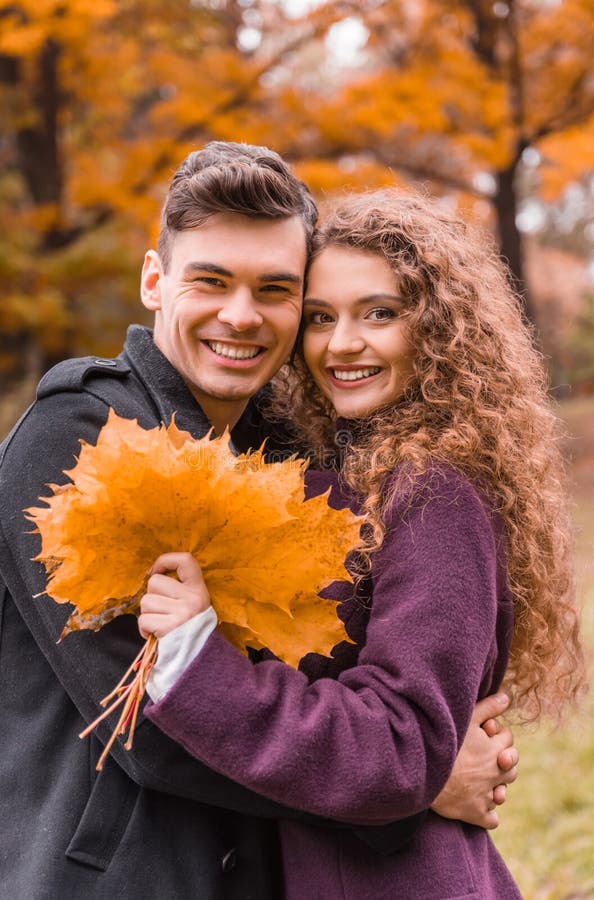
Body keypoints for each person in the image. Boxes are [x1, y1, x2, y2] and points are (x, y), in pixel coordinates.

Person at [0, 144, 516, 899]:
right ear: (155, 280)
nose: (240, 316)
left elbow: (356, 682)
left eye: (276, 290)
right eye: (211, 281)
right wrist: (409, 793)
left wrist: (415, 752)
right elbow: (143, 724)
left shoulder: (292, 455)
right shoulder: (81, 436)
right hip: (112, 879)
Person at [137, 188, 584, 898]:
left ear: (439, 330)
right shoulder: (357, 478)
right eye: (320, 318)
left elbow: (400, 746)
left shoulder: (433, 495)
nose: (342, 343)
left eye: (379, 313)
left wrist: (197, 660)